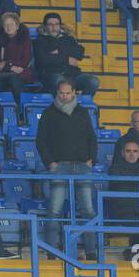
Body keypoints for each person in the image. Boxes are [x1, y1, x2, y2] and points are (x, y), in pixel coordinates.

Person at [38, 80, 98, 257]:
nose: (64, 96)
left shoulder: (82, 112)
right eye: (61, 93)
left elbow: (92, 138)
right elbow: (40, 141)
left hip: (82, 167)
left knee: (88, 210)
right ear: (57, 93)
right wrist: (51, 163)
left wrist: (91, 160)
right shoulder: (49, 113)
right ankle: (52, 251)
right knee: (54, 210)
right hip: (59, 166)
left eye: (67, 93)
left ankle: (91, 251)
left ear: (74, 93)